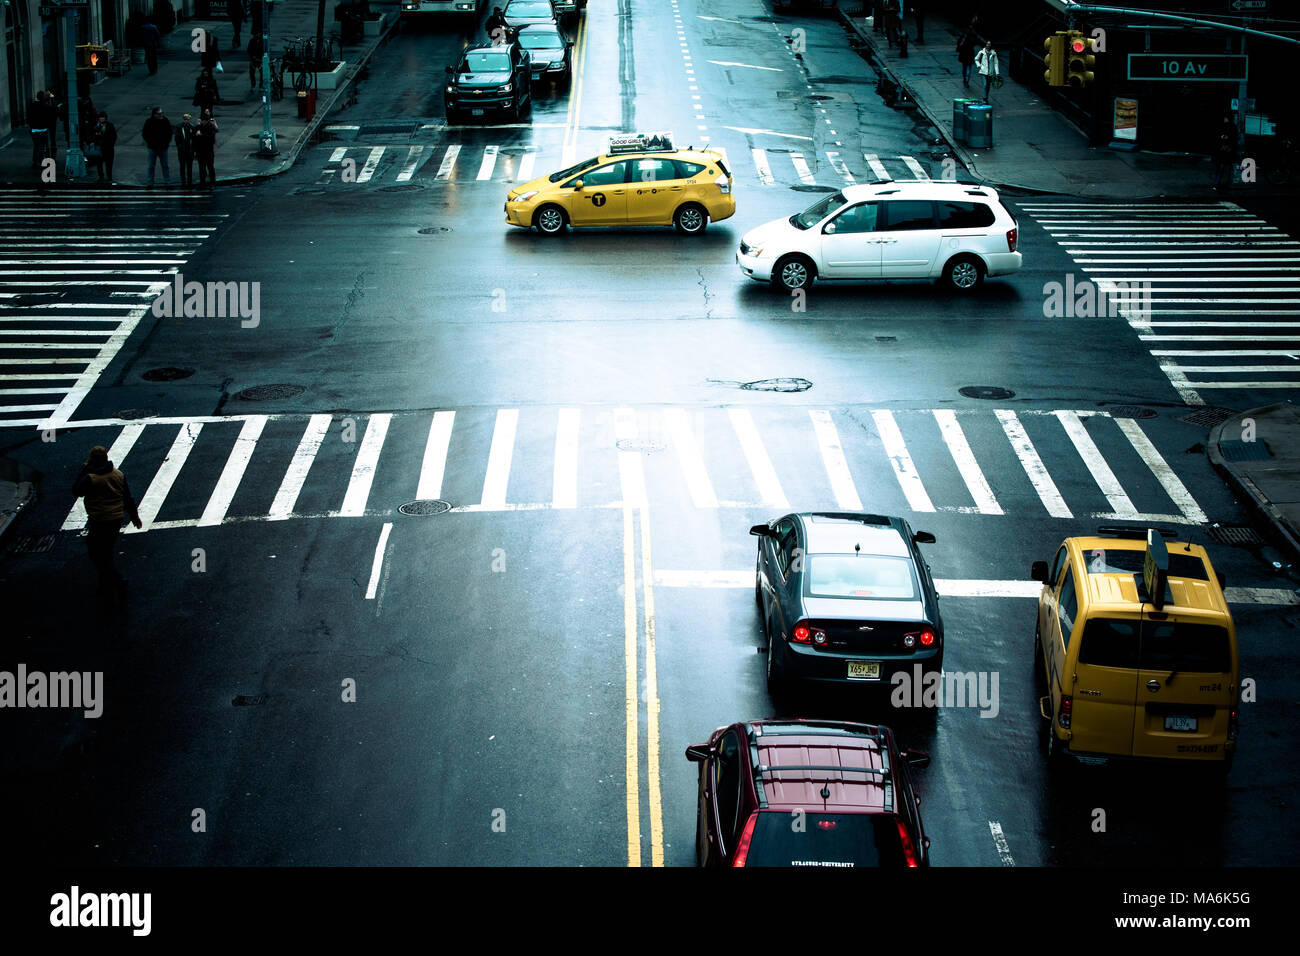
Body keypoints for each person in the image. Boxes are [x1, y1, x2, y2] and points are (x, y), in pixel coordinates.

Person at [72, 445, 143, 602]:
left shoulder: (91, 478)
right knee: (106, 551)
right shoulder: (118, 474)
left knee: (96, 553)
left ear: (92, 460)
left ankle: (116, 581)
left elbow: (76, 491)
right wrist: (135, 517)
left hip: (99, 521)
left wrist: (84, 470)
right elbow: (127, 498)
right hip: (116, 519)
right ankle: (105, 584)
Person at [142, 106, 173, 185]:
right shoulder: (149, 122)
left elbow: (169, 133)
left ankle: (167, 181)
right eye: (159, 114)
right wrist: (150, 142)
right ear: (154, 114)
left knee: (165, 165)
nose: (161, 115)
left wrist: (166, 143)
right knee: (151, 166)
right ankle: (150, 182)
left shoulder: (165, 121)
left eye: (162, 113)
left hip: (163, 147)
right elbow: (145, 134)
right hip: (152, 147)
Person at [1213, 114, 1238, 189]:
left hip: (1225, 149)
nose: (1224, 119)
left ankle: (1217, 183)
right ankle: (1221, 183)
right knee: (1224, 167)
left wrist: (1224, 137)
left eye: (1225, 118)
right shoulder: (1232, 126)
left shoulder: (1229, 127)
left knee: (1221, 167)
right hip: (1226, 149)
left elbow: (1228, 137)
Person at [28, 92, 53, 167]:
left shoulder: (32, 105)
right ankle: (41, 160)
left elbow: (29, 116)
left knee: (36, 145)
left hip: (34, 128)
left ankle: (35, 161)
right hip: (43, 128)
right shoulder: (46, 106)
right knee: (43, 145)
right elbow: (50, 115)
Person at [195, 110, 218, 188]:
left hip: (208, 150)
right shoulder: (199, 127)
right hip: (200, 151)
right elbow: (195, 136)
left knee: (210, 167)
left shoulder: (210, 127)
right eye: (202, 121)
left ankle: (212, 182)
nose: (202, 122)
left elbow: (211, 138)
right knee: (201, 168)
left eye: (204, 121)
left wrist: (201, 135)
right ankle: (202, 183)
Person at [93, 111, 117, 183]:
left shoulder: (110, 125)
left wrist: (110, 143)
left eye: (103, 118)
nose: (102, 119)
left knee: (109, 164)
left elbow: (114, 136)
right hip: (100, 148)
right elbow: (93, 136)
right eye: (101, 118)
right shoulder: (96, 126)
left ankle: (109, 177)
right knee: (99, 164)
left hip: (108, 148)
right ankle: (101, 177)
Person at [174, 113, 197, 185]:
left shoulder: (192, 127)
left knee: (189, 166)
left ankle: (189, 180)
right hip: (182, 150)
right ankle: (183, 180)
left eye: (188, 119)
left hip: (189, 149)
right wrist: (180, 146)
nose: (186, 121)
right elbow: (177, 138)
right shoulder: (179, 127)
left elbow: (194, 139)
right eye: (185, 119)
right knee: (182, 165)